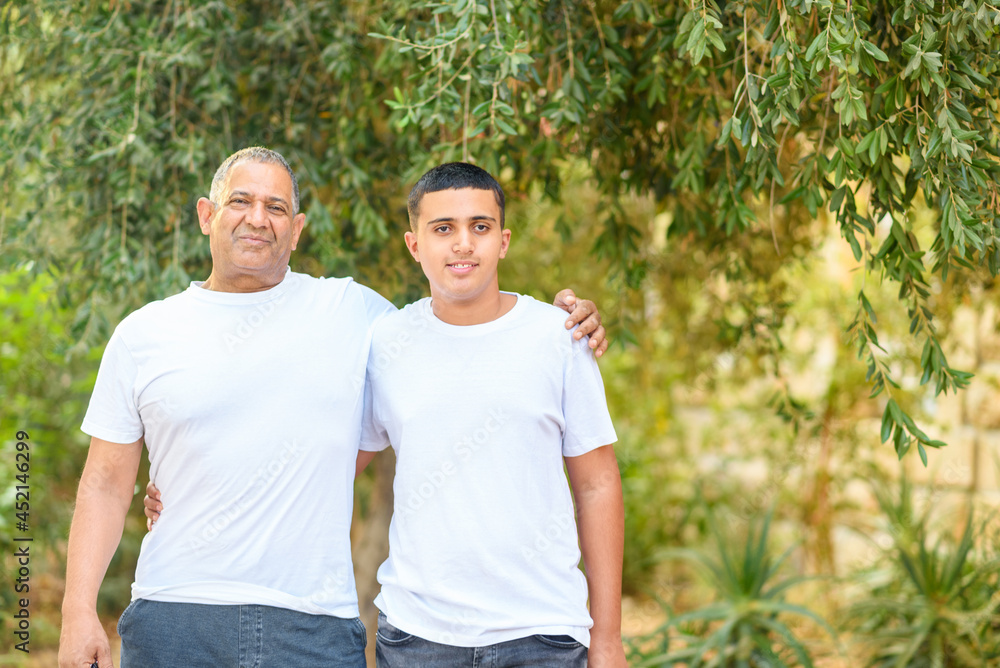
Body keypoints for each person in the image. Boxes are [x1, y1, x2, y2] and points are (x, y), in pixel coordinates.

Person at [59, 147, 606, 668]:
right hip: (174, 614)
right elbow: (104, 483)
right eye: (240, 202)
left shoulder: (356, 313)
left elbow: (462, 328)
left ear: (296, 229)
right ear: (207, 215)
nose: (257, 218)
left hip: (314, 627)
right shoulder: (144, 334)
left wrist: (568, 317)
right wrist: (77, 611)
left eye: (276, 207)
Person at [357, 162, 627, 667]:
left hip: (543, 636)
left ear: (502, 241)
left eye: (479, 227)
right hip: (418, 640)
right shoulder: (386, 343)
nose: (463, 243)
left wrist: (608, 641)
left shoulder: (561, 337)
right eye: (443, 229)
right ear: (414, 246)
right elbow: (331, 465)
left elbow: (598, 486)